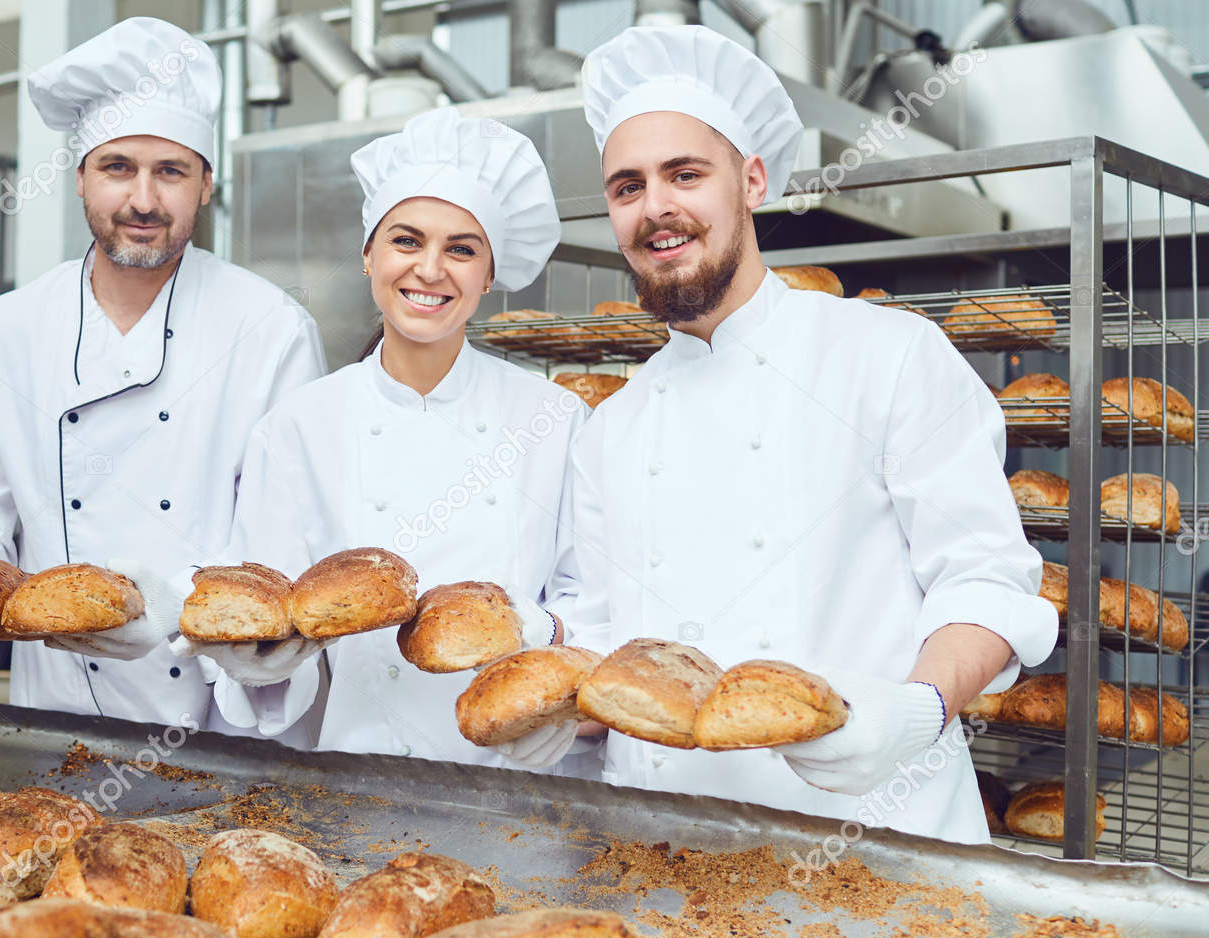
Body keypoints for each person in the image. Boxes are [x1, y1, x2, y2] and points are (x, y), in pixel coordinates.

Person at [537, 26, 1057, 841]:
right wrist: (556, 716)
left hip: (879, 838)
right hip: (670, 850)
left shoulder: (888, 355)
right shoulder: (613, 427)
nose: (655, 208)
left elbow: (988, 580)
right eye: (627, 186)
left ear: (751, 181)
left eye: (685, 174)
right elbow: (607, 647)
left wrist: (920, 710)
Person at [0, 18, 326, 729]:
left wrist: (170, 608)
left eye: (170, 171)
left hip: (215, 718)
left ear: (206, 184)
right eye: (118, 167)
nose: (143, 200)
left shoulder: (269, 330)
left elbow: (281, 543)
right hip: (51, 713)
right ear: (80, 175)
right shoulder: (3, 331)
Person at [124, 107, 586, 767]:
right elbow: (274, 609)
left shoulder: (555, 420)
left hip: (522, 785)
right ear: (368, 255)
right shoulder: (298, 427)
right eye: (406, 240)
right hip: (357, 785)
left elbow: (591, 605)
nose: (431, 269)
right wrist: (261, 663)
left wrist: (551, 641)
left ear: (490, 275)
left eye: (461, 248)